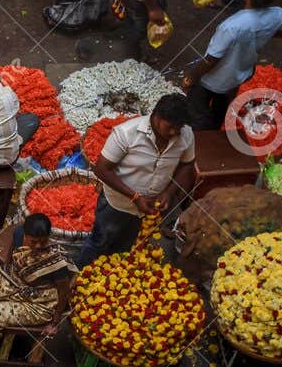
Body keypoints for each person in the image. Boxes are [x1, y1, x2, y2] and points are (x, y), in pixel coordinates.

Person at [80, 93, 195, 265]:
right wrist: (135, 197)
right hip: (117, 204)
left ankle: (111, 273)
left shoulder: (185, 135)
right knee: (100, 241)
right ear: (156, 116)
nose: (174, 133)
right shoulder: (126, 133)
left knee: (126, 245)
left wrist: (169, 192)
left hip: (146, 208)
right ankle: (81, 273)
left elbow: (188, 164)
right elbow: (101, 169)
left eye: (178, 128)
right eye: (170, 127)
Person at [182, 0, 282, 127]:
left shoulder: (232, 25)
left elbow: (212, 60)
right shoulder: (277, 15)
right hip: (238, 75)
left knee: (197, 114)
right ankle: (213, 132)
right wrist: (271, 32)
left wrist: (191, 77)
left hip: (212, 80)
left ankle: (202, 137)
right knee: (219, 112)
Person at [0, 213, 74, 352]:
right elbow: (12, 260)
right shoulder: (18, 233)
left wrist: (55, 323)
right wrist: (1, 275)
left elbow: (64, 291)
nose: (39, 246)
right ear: (25, 234)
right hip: (15, 281)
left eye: (43, 241)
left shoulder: (57, 261)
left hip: (39, 303)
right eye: (33, 242)